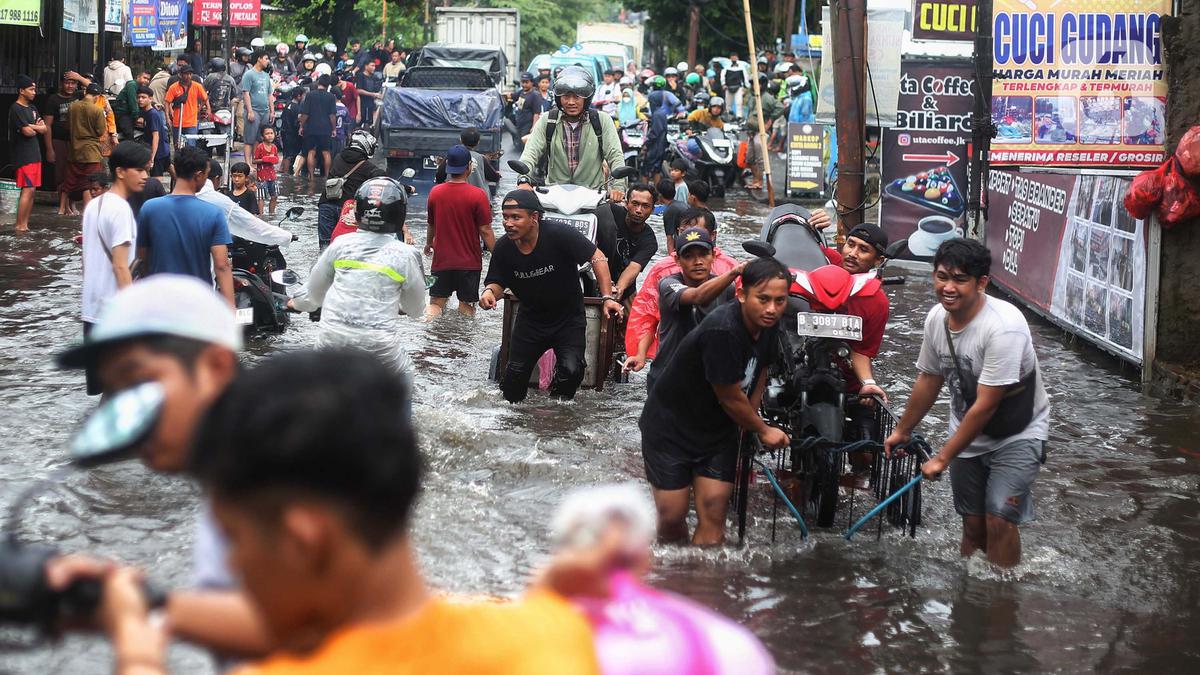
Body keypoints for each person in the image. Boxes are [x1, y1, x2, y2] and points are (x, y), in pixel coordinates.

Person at [74, 348, 604, 673]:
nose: (230, 566)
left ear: (305, 538)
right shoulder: (553, 636)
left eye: (234, 539)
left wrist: (138, 650)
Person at [884, 239, 1050, 568]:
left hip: (1018, 433)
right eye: (942, 277)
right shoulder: (936, 320)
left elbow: (986, 405)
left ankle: (1002, 599)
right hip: (967, 432)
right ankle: (968, 599)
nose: (948, 288)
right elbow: (929, 379)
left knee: (999, 518)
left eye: (960, 280)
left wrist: (942, 458)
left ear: (981, 283)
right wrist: (903, 430)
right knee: (973, 525)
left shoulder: (1004, 327)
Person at [639, 256, 791, 545]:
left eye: (780, 300)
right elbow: (730, 396)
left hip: (718, 431)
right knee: (672, 517)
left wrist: (751, 421)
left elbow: (761, 371)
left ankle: (705, 584)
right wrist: (763, 429)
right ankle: (673, 576)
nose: (772, 309)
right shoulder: (723, 330)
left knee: (714, 508)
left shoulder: (770, 324)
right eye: (763, 299)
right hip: (670, 429)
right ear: (741, 294)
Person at [481, 190, 623, 403]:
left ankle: (556, 414)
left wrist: (606, 298)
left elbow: (597, 257)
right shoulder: (503, 248)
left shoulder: (559, 235)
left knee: (572, 370)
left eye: (516, 217)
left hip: (568, 319)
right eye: (505, 217)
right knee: (513, 382)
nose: (508, 223)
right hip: (531, 321)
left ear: (534, 218)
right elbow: (498, 282)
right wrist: (489, 293)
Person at [288, 178, 426, 377]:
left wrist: (295, 303)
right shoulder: (406, 254)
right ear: (399, 213)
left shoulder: (340, 244)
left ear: (358, 211)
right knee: (406, 382)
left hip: (331, 345)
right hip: (380, 350)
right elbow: (416, 309)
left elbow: (312, 294)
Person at [625, 227, 741, 392]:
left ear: (713, 256)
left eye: (703, 254)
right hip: (668, 379)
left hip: (706, 379)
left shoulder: (727, 289)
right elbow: (696, 297)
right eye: (689, 256)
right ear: (677, 260)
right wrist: (640, 355)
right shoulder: (668, 285)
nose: (697, 262)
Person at [79, 141, 149, 394]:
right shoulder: (120, 210)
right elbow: (121, 267)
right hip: (114, 313)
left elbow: (86, 261)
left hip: (92, 310)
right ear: (120, 172)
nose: (145, 176)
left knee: (111, 392)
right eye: (139, 170)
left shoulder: (94, 205)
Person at [136, 146, 234, 305]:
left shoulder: (149, 208)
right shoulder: (213, 213)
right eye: (206, 176)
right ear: (199, 175)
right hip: (198, 303)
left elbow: (142, 258)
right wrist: (230, 309)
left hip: (159, 302)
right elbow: (222, 266)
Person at [518, 66, 627, 200]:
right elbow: (530, 153)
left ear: (586, 98)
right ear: (558, 98)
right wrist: (523, 179)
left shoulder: (602, 120)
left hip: (592, 197)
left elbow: (615, 155)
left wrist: (618, 186)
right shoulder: (547, 120)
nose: (571, 102)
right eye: (566, 96)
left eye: (577, 97)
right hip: (554, 196)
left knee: (617, 218)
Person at [425, 145, 495, 319]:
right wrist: (498, 253)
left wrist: (428, 244)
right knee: (467, 308)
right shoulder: (478, 195)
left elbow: (431, 225)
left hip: (442, 262)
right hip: (469, 264)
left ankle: (427, 331)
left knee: (435, 304)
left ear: (448, 166)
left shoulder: (435, 192)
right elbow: (485, 230)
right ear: (469, 167)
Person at [200, 159, 293, 249]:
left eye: (239, 176)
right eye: (234, 176)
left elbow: (253, 216)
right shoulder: (222, 198)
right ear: (218, 178)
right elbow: (250, 222)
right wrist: (284, 236)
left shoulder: (247, 194)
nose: (236, 179)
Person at [317, 129, 385, 248]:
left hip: (325, 205)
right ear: (366, 145)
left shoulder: (338, 157)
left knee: (325, 246)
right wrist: (407, 188)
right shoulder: (367, 167)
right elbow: (385, 182)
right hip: (347, 209)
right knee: (348, 247)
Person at [607, 183, 658, 303]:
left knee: (633, 320)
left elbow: (634, 267)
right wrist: (609, 198)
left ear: (653, 209)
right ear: (626, 203)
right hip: (594, 278)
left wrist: (618, 289)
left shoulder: (649, 241)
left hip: (625, 290)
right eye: (635, 204)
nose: (639, 210)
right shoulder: (611, 212)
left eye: (645, 206)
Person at [62, 83, 110, 213]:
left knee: (70, 181)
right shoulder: (97, 110)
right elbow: (101, 131)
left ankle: (63, 209)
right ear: (98, 96)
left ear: (85, 93)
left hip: (74, 150)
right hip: (91, 152)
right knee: (89, 183)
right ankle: (87, 212)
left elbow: (67, 126)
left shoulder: (72, 107)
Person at [8, 75, 45, 233]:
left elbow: (44, 129)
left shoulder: (32, 108)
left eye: (34, 89)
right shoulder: (16, 108)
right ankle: (19, 225)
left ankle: (25, 224)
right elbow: (28, 132)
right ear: (21, 91)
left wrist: (33, 126)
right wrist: (33, 127)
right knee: (27, 188)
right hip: (24, 155)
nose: (34, 92)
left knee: (32, 190)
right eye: (31, 89)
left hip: (35, 153)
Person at [42, 72, 83, 213]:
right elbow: (47, 125)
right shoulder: (53, 100)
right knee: (61, 175)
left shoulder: (79, 97)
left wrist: (79, 77)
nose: (70, 85)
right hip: (59, 141)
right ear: (61, 84)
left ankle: (72, 204)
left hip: (76, 142)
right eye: (67, 82)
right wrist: (49, 148)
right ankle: (63, 206)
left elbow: (96, 89)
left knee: (75, 173)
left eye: (73, 83)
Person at [434, 127, 501, 193]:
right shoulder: (481, 158)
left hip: (453, 196)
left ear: (461, 140)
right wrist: (497, 175)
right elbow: (493, 177)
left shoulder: (452, 156)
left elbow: (439, 176)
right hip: (476, 198)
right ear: (478, 142)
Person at [743, 74, 781, 190]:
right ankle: (755, 180)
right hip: (752, 131)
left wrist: (770, 121)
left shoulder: (767, 98)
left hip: (761, 132)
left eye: (758, 83)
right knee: (750, 158)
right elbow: (750, 114)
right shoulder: (752, 97)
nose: (755, 86)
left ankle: (759, 182)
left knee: (759, 158)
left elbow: (780, 107)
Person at [299, 75, 338, 177]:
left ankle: (311, 176)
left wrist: (301, 126)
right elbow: (332, 115)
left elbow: (305, 114)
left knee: (311, 151)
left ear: (318, 82)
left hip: (311, 128)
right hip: (325, 129)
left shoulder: (310, 95)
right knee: (326, 152)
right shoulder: (330, 97)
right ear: (328, 85)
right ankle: (326, 176)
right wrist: (334, 129)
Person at [165, 65, 209, 147]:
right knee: (177, 145)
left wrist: (200, 109)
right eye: (186, 74)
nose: (188, 76)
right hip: (177, 122)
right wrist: (167, 117)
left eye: (190, 74)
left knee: (191, 146)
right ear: (180, 75)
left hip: (191, 123)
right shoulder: (173, 87)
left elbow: (205, 99)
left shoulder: (197, 86)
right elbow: (167, 102)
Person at [135, 86, 171, 177]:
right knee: (169, 167)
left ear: (150, 99)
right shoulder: (146, 111)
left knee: (156, 178)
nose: (140, 100)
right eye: (138, 97)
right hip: (164, 149)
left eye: (143, 97)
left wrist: (152, 157)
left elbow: (156, 135)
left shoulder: (152, 114)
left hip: (158, 152)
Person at [254, 126, 281, 215]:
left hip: (272, 176)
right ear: (263, 136)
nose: (270, 136)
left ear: (274, 134)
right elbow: (254, 160)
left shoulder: (274, 147)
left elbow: (276, 159)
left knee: (274, 196)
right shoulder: (260, 147)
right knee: (261, 197)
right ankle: (261, 215)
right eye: (267, 134)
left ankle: (271, 214)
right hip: (261, 177)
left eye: (271, 133)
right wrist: (264, 159)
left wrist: (274, 159)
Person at [356, 61, 383, 131]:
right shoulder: (360, 76)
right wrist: (372, 94)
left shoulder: (373, 77)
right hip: (362, 103)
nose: (373, 68)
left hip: (371, 103)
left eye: (374, 66)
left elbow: (375, 89)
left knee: (369, 123)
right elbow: (358, 90)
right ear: (366, 66)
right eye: (372, 66)